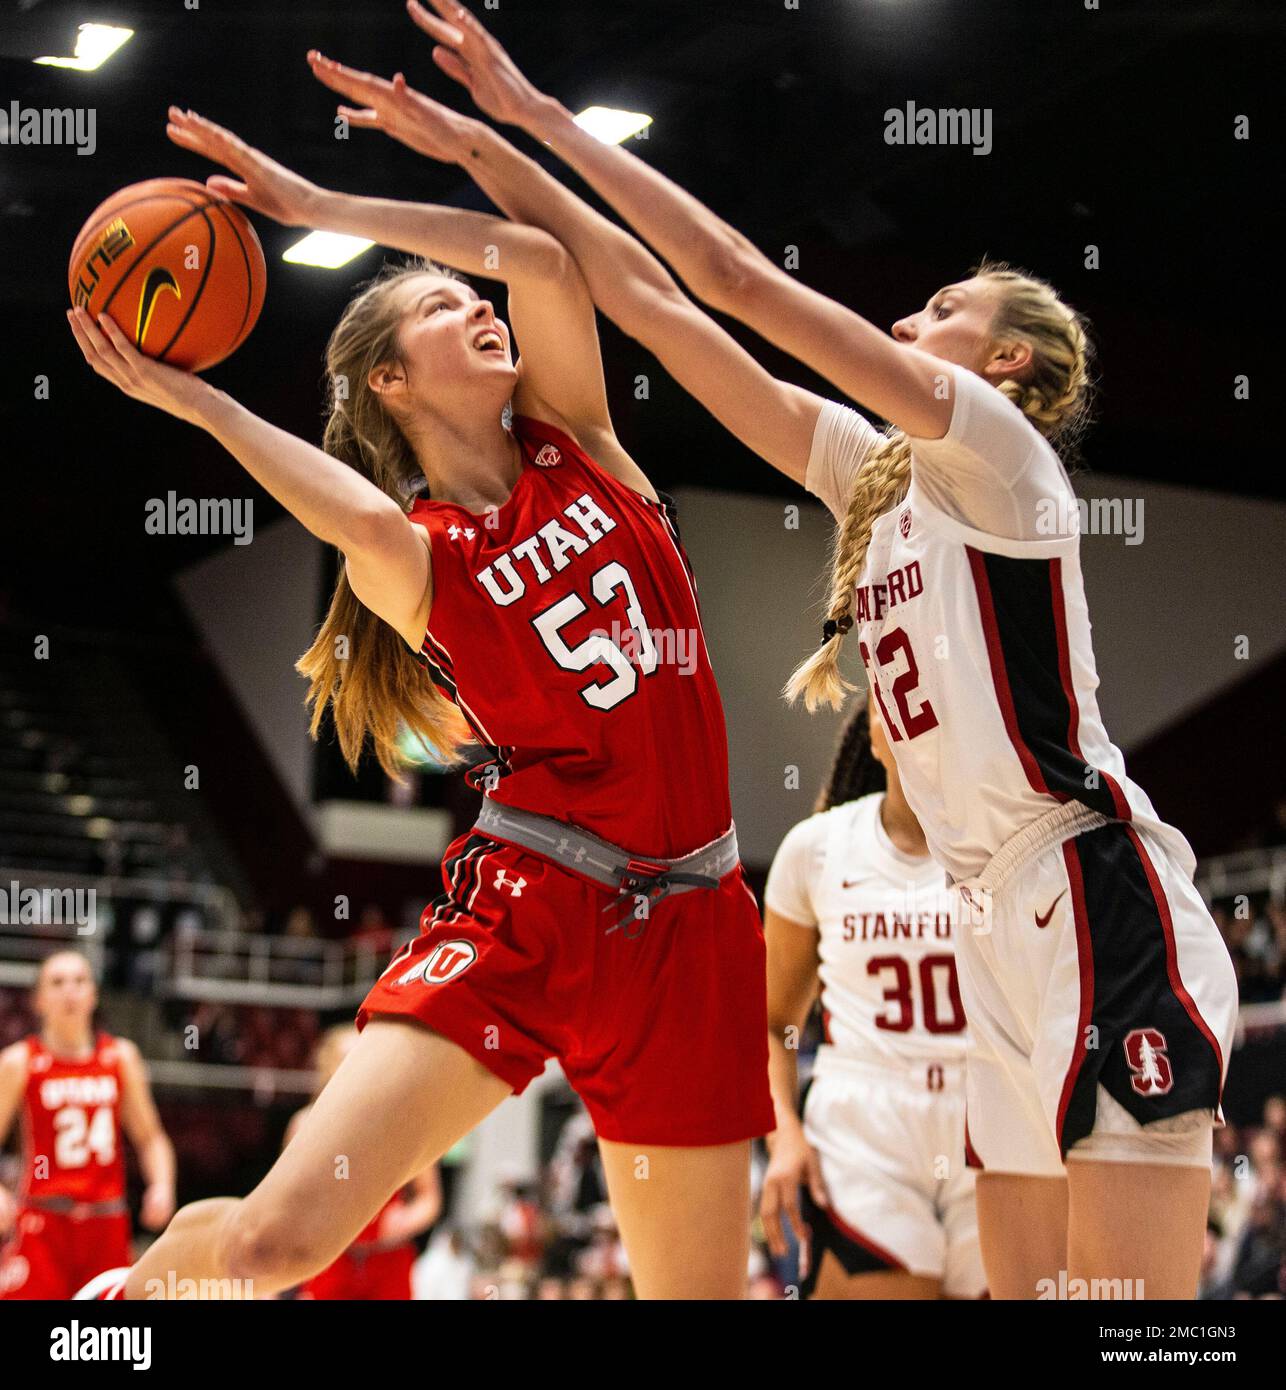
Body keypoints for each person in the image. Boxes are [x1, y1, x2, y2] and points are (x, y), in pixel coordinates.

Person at [335, 0, 1238, 1298]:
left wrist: (531, 116)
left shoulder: (996, 452)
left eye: (940, 307)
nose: (909, 322)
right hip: (985, 922)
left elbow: (735, 279)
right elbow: (654, 303)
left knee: (1132, 1317)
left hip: (1091, 885)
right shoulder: (874, 477)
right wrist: (500, 148)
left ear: (1006, 360)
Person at [67, 89, 794, 1296]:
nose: (480, 306)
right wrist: (190, 396)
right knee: (273, 1248)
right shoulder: (418, 553)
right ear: (391, 383)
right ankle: (130, 1301)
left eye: (470, 297)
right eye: (444, 310)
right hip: (536, 907)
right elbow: (351, 514)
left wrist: (322, 204)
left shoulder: (583, 444)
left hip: (695, 925)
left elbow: (542, 260)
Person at [760, 702, 984, 1300]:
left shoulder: (1012, 839)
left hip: (992, 1110)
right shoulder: (815, 849)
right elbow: (772, 1023)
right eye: (895, 700)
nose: (917, 714)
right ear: (871, 735)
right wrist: (783, 1133)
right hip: (864, 1126)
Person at [0, 950, 175, 1299]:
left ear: (94, 995)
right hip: (43, 1219)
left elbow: (150, 1137)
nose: (70, 991)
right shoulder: (20, 1061)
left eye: (80, 981)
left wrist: (162, 1184)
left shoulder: (120, 1057)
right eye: (58, 982)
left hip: (106, 1222)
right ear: (38, 1000)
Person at [286, 1025, 440, 1300]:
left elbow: (429, 1198)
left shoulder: (405, 1123)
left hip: (387, 1257)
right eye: (349, 1060)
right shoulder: (305, 1124)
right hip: (330, 1258)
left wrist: (405, 1220)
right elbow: (288, 1200)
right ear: (329, 1068)